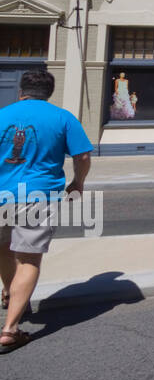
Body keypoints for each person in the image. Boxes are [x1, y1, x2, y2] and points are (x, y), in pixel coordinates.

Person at [0, 70, 93, 354]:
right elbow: (83, 156)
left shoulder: (3, 114)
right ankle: (10, 330)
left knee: (3, 248)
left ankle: (10, 294)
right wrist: (77, 183)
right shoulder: (62, 117)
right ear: (50, 92)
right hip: (38, 196)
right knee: (28, 259)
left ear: (21, 91)